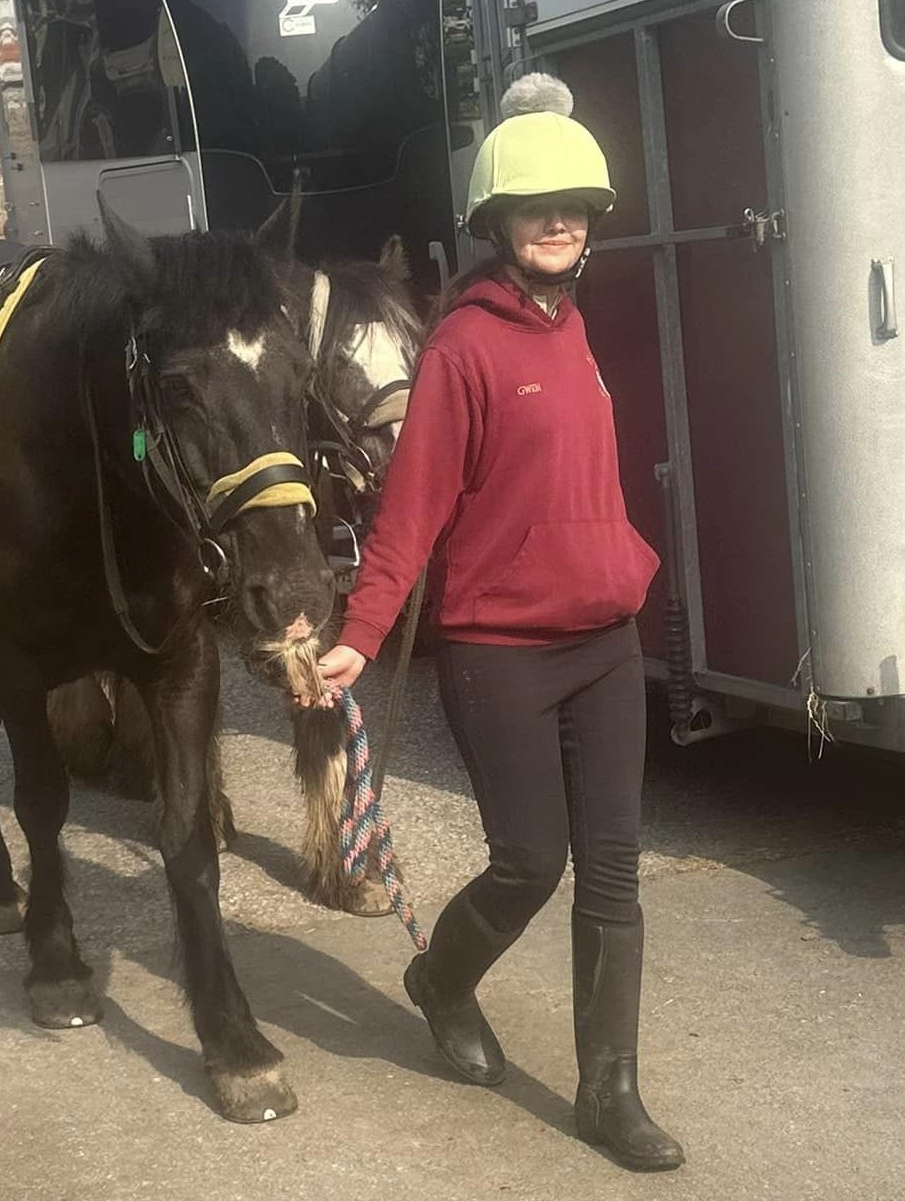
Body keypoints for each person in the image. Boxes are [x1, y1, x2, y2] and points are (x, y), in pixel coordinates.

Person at [309, 74, 685, 1171]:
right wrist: (359, 636)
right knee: (529, 861)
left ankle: (608, 1092)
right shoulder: (461, 351)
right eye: (535, 207)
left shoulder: (572, 331)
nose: (558, 220)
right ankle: (439, 977)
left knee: (610, 867)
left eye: (572, 204)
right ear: (496, 226)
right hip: (499, 652)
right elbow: (409, 515)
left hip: (603, 643)